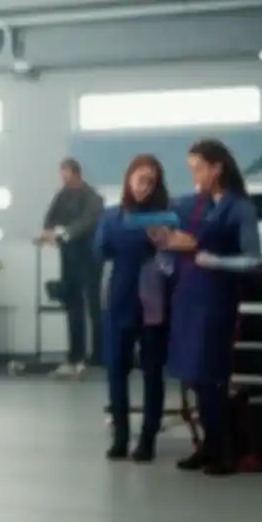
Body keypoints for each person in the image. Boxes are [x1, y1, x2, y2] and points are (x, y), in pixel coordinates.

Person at [149, 138, 260, 476]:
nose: (194, 175)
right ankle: (206, 445)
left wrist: (217, 261)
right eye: (191, 168)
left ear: (217, 167)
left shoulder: (240, 208)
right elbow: (160, 226)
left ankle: (224, 452)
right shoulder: (193, 205)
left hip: (216, 299)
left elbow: (253, 260)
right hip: (187, 296)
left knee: (213, 376)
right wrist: (165, 247)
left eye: (198, 168)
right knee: (193, 376)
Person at [94, 154, 171, 462]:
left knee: (153, 369)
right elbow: (99, 250)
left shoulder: (164, 218)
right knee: (116, 368)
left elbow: (171, 257)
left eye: (151, 182)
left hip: (152, 299)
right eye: (140, 179)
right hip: (121, 296)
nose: (144, 186)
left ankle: (148, 437)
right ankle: (121, 435)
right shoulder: (112, 216)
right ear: (128, 179)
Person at [41, 157, 105, 376]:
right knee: (73, 306)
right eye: (62, 177)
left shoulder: (93, 198)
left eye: (67, 176)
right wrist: (48, 232)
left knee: (93, 308)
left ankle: (99, 356)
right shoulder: (62, 195)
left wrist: (63, 233)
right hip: (69, 258)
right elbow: (49, 219)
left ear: (77, 174)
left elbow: (86, 222)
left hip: (90, 259)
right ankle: (75, 354)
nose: (65, 181)